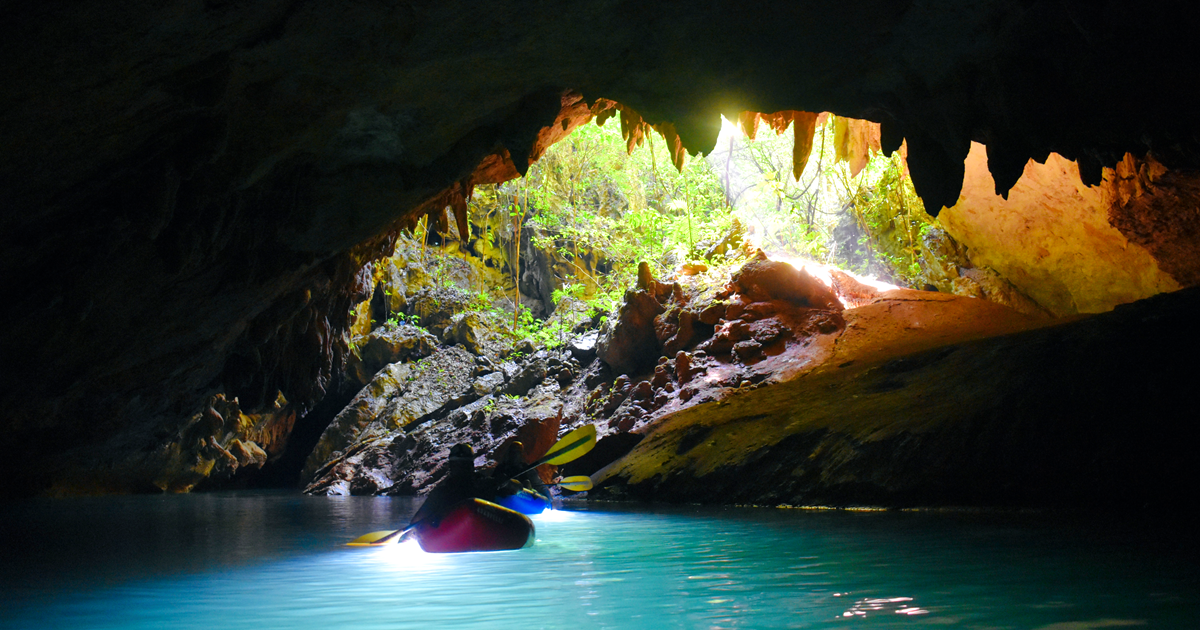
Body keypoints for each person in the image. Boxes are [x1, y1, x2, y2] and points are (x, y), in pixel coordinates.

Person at [409, 443, 486, 527]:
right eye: (457, 466)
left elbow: (416, 520)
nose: (460, 470)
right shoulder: (440, 494)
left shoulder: (485, 487)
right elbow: (417, 520)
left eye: (463, 465)